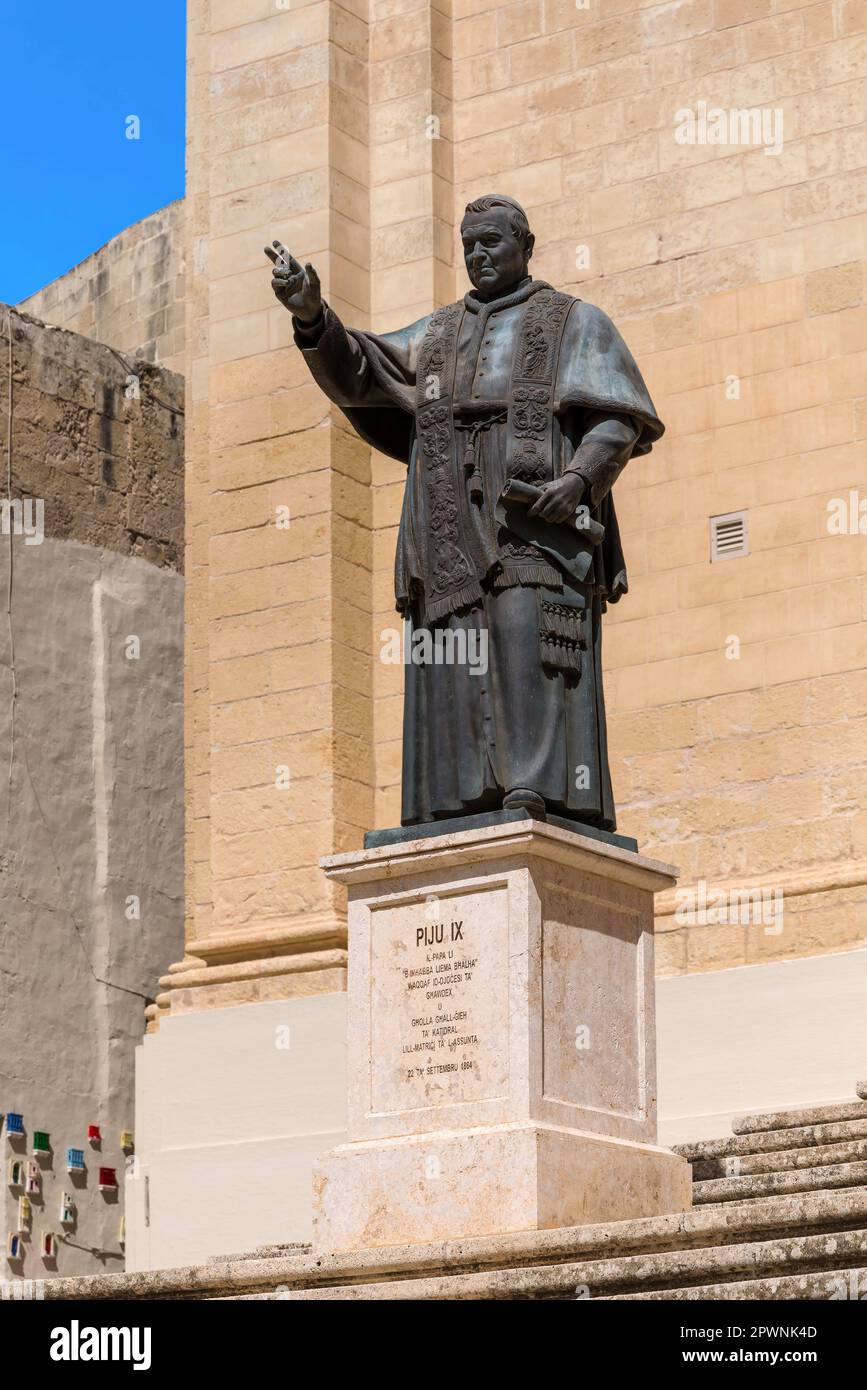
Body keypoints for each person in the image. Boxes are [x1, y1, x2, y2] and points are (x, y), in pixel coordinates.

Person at [266, 194, 663, 831]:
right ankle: (453, 797)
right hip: (448, 510)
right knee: (453, 645)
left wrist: (578, 478)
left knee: (525, 635)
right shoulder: (439, 333)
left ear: (525, 247)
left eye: (492, 243)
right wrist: (314, 317)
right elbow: (363, 369)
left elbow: (618, 417)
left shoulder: (577, 322)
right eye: (469, 243)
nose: (477, 254)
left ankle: (532, 787)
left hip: (534, 516)